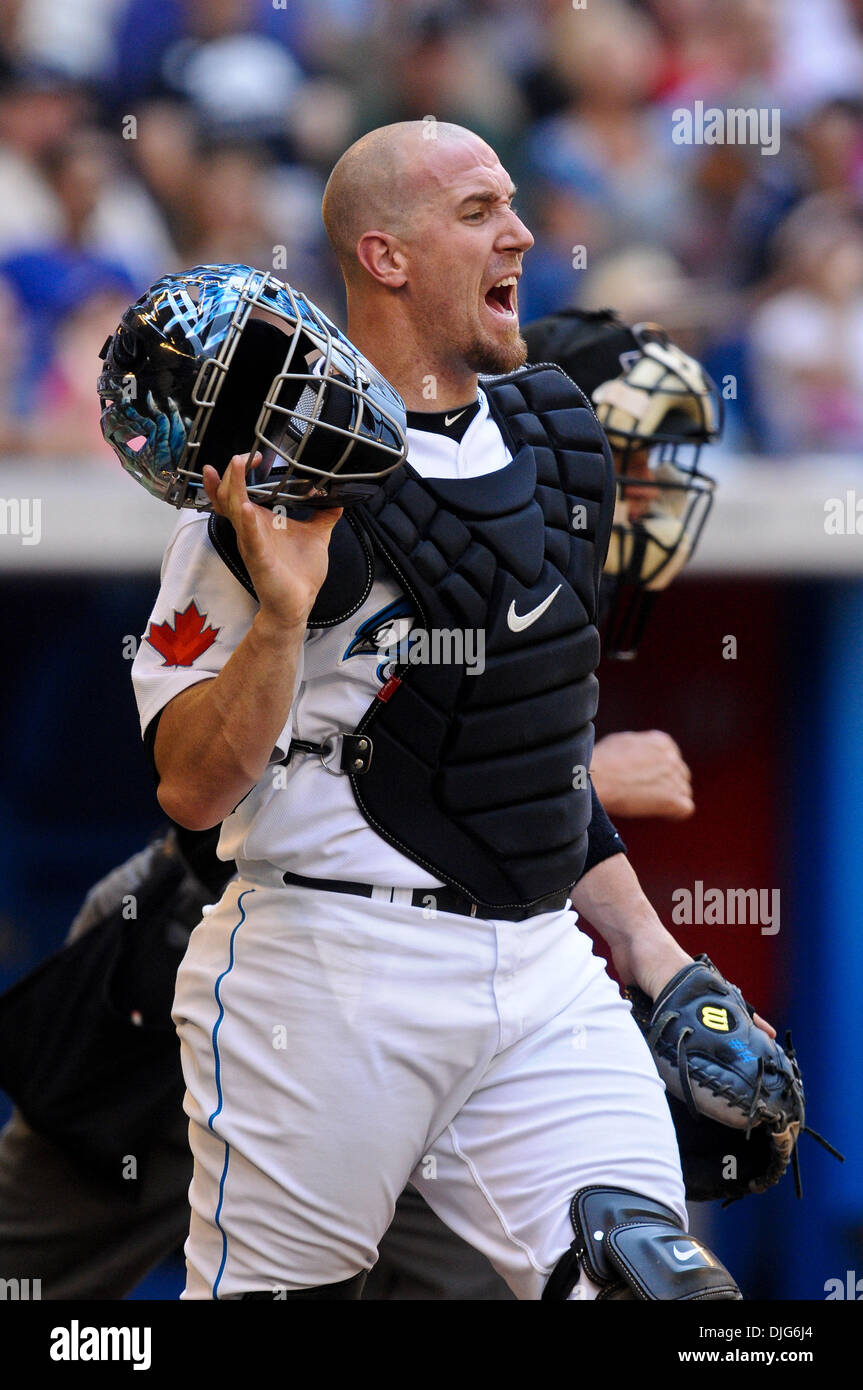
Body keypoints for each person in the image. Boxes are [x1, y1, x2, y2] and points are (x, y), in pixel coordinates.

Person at [122, 120, 761, 1302]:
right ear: (386, 255)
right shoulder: (273, 477)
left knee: (668, 1298)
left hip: (537, 966)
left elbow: (537, 763)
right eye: (476, 211)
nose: (520, 232)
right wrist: (278, 617)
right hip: (326, 971)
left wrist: (659, 961)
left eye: (512, 203)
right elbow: (192, 790)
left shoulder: (561, 440)